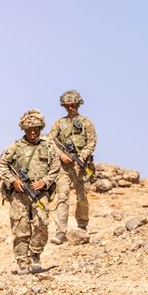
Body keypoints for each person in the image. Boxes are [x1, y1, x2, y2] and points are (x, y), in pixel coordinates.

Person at [0, 109, 60, 275]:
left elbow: (55, 168)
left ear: (40, 129)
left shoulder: (48, 147)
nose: (33, 132)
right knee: (20, 228)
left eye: (36, 129)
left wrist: (44, 182)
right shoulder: (15, 148)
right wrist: (13, 181)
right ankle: (22, 263)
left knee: (42, 224)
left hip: (40, 193)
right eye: (29, 130)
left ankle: (35, 254)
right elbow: (1, 165)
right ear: (24, 130)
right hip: (19, 195)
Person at [48, 90, 97, 245]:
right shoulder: (58, 124)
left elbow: (92, 142)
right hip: (63, 167)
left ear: (78, 104)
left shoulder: (86, 122)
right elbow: (50, 141)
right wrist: (61, 155)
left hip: (82, 165)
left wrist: (81, 157)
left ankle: (82, 225)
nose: (71, 108)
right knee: (62, 197)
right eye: (68, 106)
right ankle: (60, 231)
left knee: (82, 196)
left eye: (73, 105)